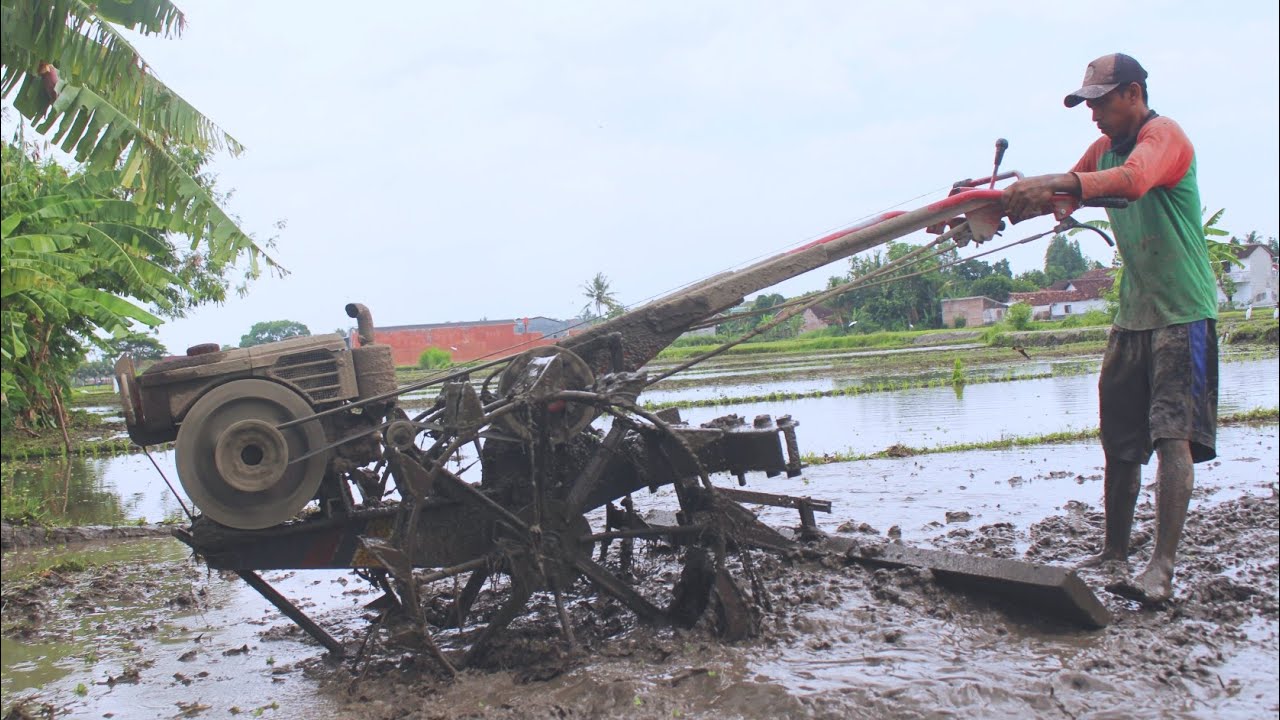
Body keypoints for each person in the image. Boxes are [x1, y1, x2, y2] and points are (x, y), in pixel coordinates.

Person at [1002, 53, 1219, 605]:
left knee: (1172, 435)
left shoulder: (1163, 137)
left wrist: (1061, 182)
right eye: (1088, 104)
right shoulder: (1103, 149)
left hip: (1183, 312)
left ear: (1134, 94)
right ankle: (1114, 551)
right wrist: (987, 211)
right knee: (1121, 439)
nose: (1093, 114)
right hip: (1134, 314)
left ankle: (1161, 567)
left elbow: (1133, 181)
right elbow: (1063, 194)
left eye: (1101, 102)